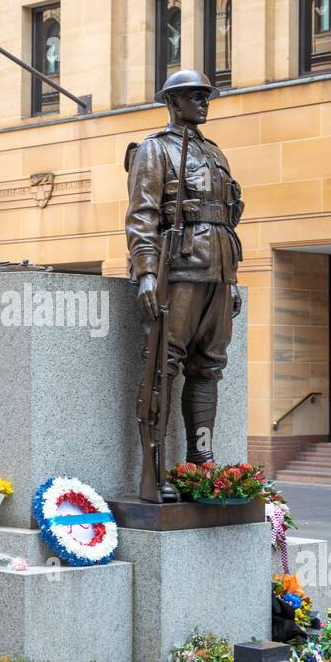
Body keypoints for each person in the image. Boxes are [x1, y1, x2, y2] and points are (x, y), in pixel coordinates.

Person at [126, 68, 243, 502]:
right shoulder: (153, 150)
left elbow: (227, 215)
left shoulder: (215, 153)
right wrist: (148, 273)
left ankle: (201, 462)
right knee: (164, 365)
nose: (204, 101)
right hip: (180, 270)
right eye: (195, 95)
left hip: (218, 270)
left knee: (210, 367)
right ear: (173, 102)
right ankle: (154, 472)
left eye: (206, 95)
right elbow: (142, 216)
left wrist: (232, 279)